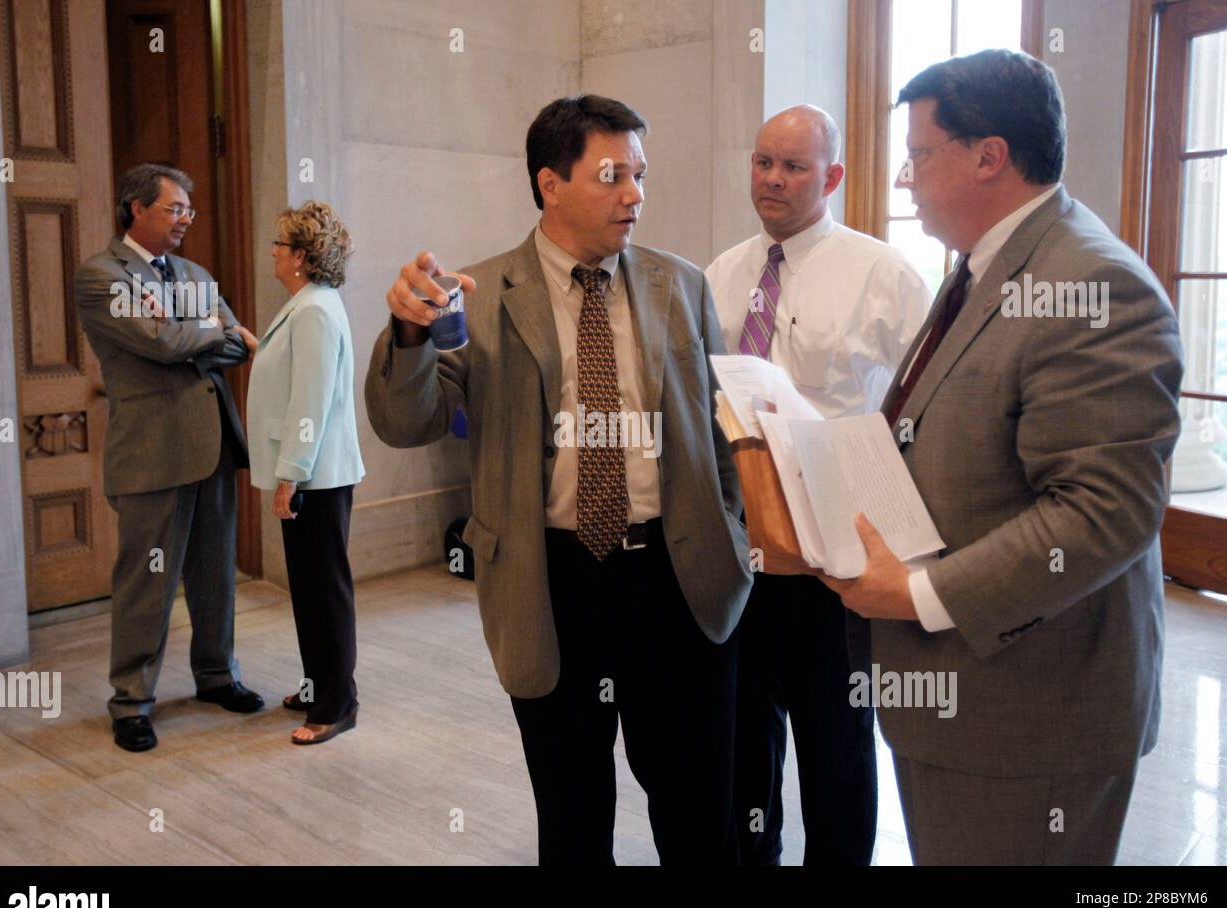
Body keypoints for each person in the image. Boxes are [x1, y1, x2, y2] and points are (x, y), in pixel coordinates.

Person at [817, 49, 1184, 864]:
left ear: (990, 156)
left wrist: (919, 592)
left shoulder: (1092, 287)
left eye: (919, 155)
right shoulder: (986, 269)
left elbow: (1103, 513)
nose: (906, 179)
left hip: (1030, 714)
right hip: (963, 696)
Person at [365, 95, 753, 864]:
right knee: (572, 816)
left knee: (698, 807)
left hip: (678, 582)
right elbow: (407, 423)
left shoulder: (682, 286)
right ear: (550, 183)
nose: (635, 194)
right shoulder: (473, 297)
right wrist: (408, 335)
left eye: (640, 175)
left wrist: (733, 535)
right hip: (552, 585)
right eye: (613, 176)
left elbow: (717, 430)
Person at [705, 104, 929, 865]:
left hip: (836, 550)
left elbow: (927, 401)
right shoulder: (723, 273)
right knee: (745, 729)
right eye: (763, 161)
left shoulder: (882, 273)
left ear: (831, 176)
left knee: (835, 736)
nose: (772, 179)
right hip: (742, 542)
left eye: (794, 166)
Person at [74, 163, 264, 753]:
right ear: (137, 209)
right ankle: (132, 701)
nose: (186, 219)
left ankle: (216, 676)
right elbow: (158, 342)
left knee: (214, 575)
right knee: (148, 580)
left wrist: (197, 329)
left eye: (189, 210)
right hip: (151, 456)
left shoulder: (192, 272)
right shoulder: (101, 275)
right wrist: (203, 328)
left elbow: (238, 342)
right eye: (175, 208)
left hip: (213, 443)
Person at [246, 200, 365, 745]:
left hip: (314, 476)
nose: (271, 253)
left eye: (279, 245)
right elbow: (295, 374)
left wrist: (289, 477)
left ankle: (336, 705)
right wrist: (257, 346)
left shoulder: (314, 309)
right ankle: (321, 683)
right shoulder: (308, 304)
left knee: (323, 591)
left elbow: (310, 401)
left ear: (300, 256)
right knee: (312, 589)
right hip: (311, 473)